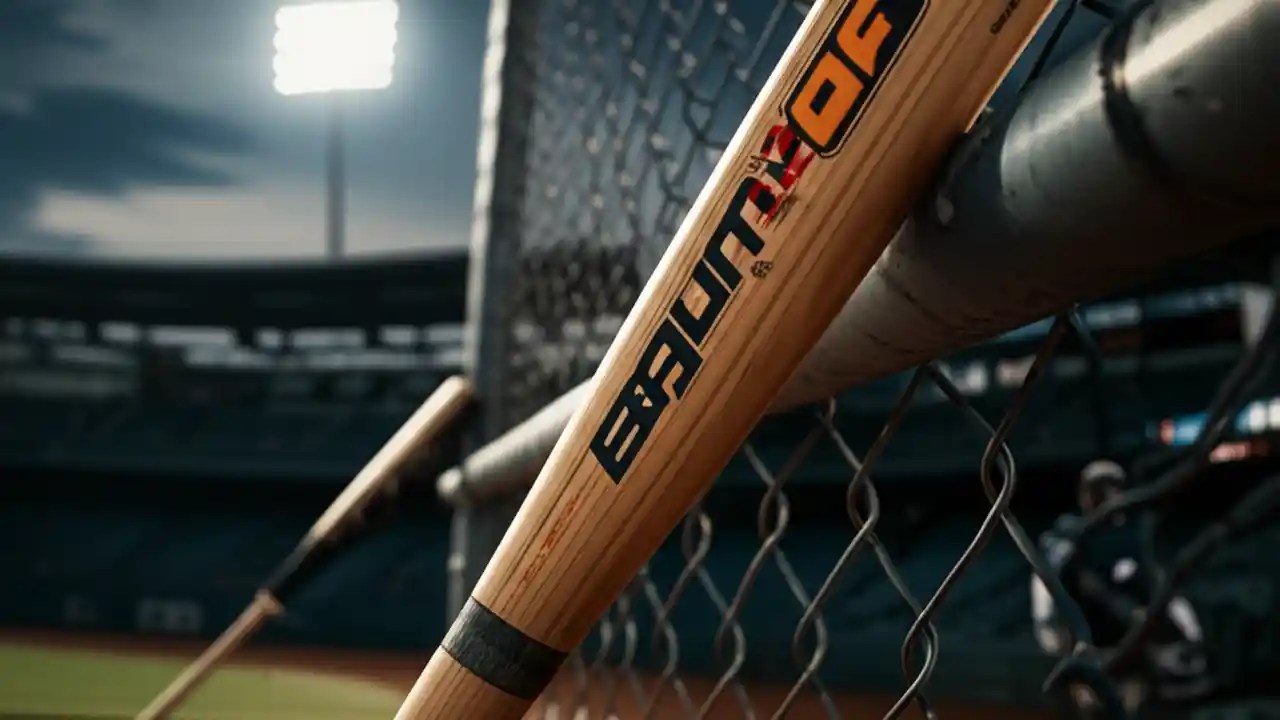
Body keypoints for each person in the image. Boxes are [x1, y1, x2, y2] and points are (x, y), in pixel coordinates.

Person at [1031, 460, 1213, 717]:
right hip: (1088, 650)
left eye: (1111, 488)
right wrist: (1058, 642)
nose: (1106, 497)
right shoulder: (1067, 539)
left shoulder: (1134, 538)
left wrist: (1187, 630)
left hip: (1131, 649)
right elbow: (1052, 593)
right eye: (1097, 490)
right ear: (1084, 494)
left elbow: (1161, 585)